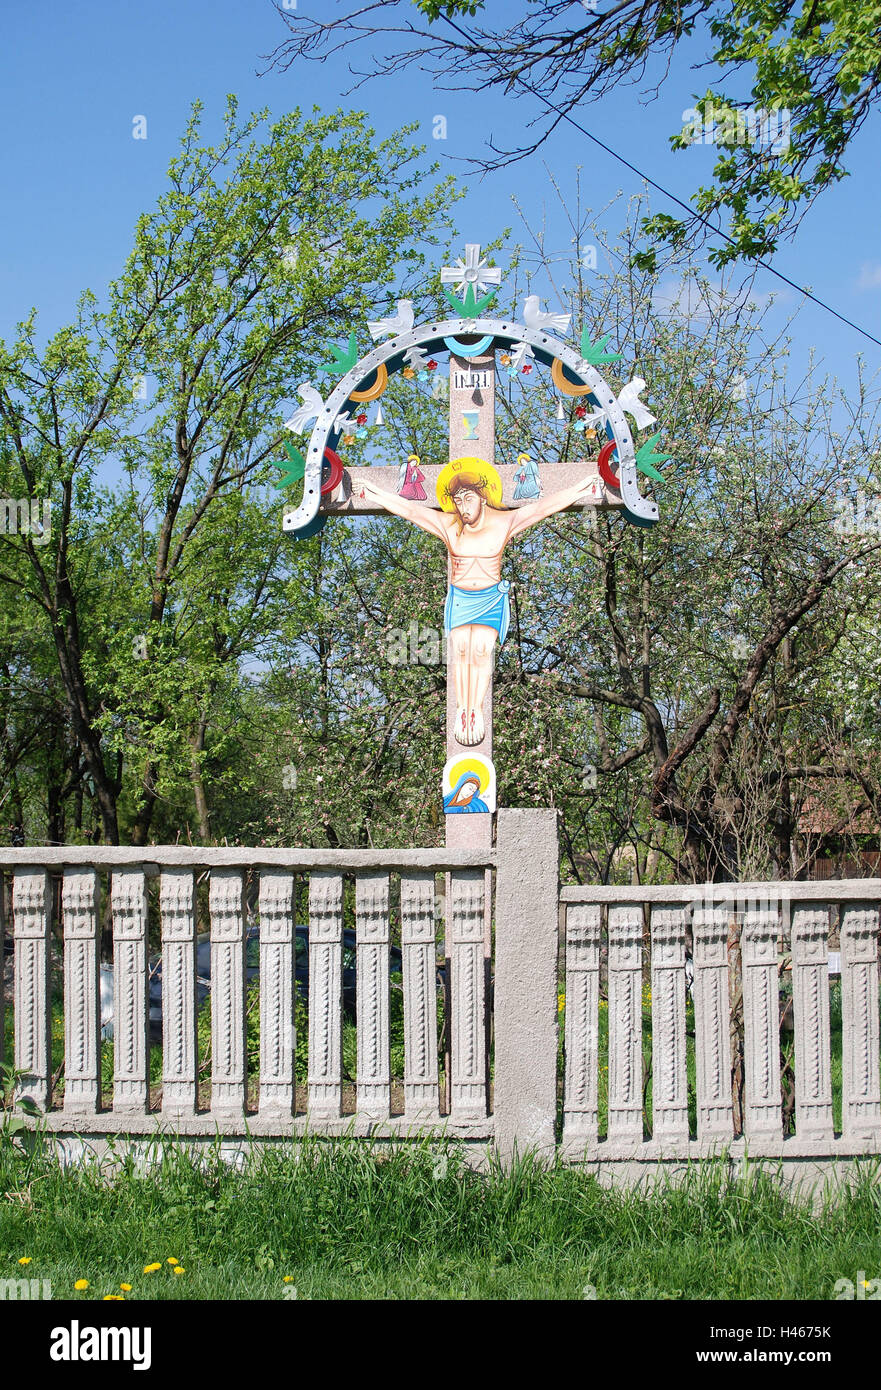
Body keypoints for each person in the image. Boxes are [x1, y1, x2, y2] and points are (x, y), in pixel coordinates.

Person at [359, 456, 601, 746]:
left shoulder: (505, 521)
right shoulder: (449, 525)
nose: (463, 506)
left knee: (481, 652)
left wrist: (580, 489)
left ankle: (478, 710)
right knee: (460, 652)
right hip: (460, 597)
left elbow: (542, 508)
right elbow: (411, 511)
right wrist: (373, 492)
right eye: (458, 500)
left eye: (468, 498)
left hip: (489, 598)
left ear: (483, 497)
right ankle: (463, 709)